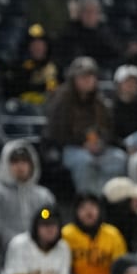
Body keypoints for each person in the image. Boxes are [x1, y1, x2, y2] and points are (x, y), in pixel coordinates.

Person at [45, 57, 126, 194]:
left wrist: (101, 143)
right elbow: (56, 134)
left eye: (90, 76)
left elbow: (109, 130)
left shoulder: (100, 102)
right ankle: (88, 202)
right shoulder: (62, 101)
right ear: (74, 79)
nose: (87, 80)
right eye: (83, 77)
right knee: (85, 161)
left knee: (119, 158)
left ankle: (109, 200)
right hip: (70, 148)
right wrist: (82, 143)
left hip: (98, 147)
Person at [0, 140, 55, 247]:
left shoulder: (44, 195)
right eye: (14, 162)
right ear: (4, 163)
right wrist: (20, 244)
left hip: (39, 253)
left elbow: (50, 224)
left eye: (25, 161)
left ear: (32, 164)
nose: (20, 166)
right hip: (3, 255)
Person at [62, 193, 127, 274]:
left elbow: (120, 269)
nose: (88, 212)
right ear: (76, 212)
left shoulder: (113, 234)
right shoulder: (66, 234)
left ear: (100, 210)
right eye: (83, 208)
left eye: (93, 206)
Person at [3, 207, 71, 274]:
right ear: (35, 227)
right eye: (45, 224)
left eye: (54, 224)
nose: (50, 229)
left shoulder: (63, 247)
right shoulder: (19, 244)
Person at [4, 23, 60, 104]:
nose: (37, 48)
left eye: (40, 44)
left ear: (46, 46)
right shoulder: (21, 66)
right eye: (34, 44)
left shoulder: (55, 66)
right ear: (29, 47)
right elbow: (14, 89)